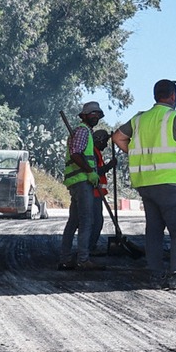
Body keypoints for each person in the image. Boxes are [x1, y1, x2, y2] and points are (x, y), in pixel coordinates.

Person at [112, 79, 176, 289]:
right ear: (173, 96)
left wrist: (136, 154)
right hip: (172, 183)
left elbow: (117, 137)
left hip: (146, 185)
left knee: (154, 230)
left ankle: (155, 275)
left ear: (156, 96)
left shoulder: (139, 119)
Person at [56, 101, 109, 270]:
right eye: (92, 114)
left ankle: (65, 259)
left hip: (79, 181)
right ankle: (83, 259)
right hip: (82, 181)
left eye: (97, 115)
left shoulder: (84, 132)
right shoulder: (82, 131)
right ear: (84, 116)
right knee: (87, 221)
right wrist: (90, 172)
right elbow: (76, 154)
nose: (96, 117)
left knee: (74, 221)